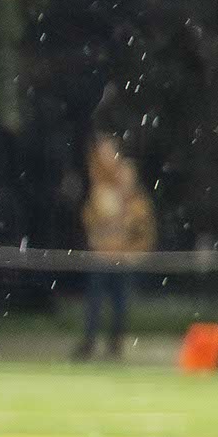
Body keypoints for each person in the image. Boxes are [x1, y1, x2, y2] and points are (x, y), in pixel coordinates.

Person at [75, 134, 154, 358]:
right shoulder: (98, 187)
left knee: (119, 303)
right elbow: (90, 218)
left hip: (122, 255)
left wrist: (136, 248)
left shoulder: (132, 197)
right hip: (102, 254)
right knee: (95, 303)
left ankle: (115, 343)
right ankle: (90, 342)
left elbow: (142, 226)